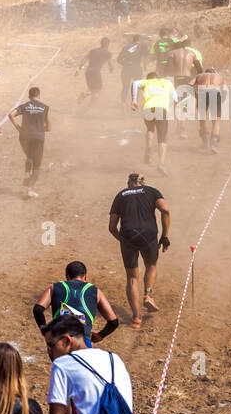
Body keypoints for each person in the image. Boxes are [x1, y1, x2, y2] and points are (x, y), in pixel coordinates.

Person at [108, 173, 170, 330]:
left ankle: (136, 318)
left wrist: (123, 240)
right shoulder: (152, 191)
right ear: (143, 182)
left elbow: (112, 227)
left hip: (128, 235)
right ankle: (148, 294)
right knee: (152, 265)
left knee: (131, 277)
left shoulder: (120, 195)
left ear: (129, 183)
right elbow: (165, 211)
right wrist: (164, 236)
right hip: (149, 234)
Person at [33, 261, 119, 348]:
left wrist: (46, 331)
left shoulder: (53, 287)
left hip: (59, 341)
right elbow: (113, 322)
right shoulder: (96, 291)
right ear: (85, 276)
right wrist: (100, 335)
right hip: (82, 341)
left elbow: (37, 310)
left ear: (67, 277)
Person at [8, 86, 52, 198]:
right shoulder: (45, 107)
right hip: (38, 137)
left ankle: (27, 174)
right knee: (37, 164)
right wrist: (41, 128)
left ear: (29, 96)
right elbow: (49, 128)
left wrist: (19, 128)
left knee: (29, 156)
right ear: (39, 95)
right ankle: (30, 189)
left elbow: (10, 115)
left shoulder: (24, 106)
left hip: (24, 136)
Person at [131, 72, 177, 173]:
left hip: (148, 108)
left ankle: (148, 150)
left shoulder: (147, 82)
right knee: (162, 137)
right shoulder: (167, 83)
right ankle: (161, 163)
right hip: (162, 109)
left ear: (149, 79)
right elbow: (175, 98)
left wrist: (134, 100)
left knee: (150, 129)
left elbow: (134, 83)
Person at [192, 66, 227, 152]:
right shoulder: (219, 77)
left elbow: (191, 86)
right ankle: (214, 145)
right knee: (216, 123)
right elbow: (225, 90)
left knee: (202, 121)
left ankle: (205, 142)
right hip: (215, 95)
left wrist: (196, 95)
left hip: (202, 94)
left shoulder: (200, 77)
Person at [76, 38, 114, 107]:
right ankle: (85, 98)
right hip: (96, 72)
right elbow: (111, 65)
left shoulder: (93, 50)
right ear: (107, 44)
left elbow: (84, 60)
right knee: (97, 91)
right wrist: (111, 70)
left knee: (91, 89)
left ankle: (86, 105)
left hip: (88, 71)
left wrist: (78, 70)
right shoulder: (107, 53)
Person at [116, 35, 149, 110]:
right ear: (139, 40)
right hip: (136, 68)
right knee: (138, 87)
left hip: (126, 68)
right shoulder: (142, 46)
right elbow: (146, 56)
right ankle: (134, 104)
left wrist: (126, 64)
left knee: (125, 87)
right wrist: (145, 66)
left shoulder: (126, 47)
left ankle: (123, 105)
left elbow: (118, 59)